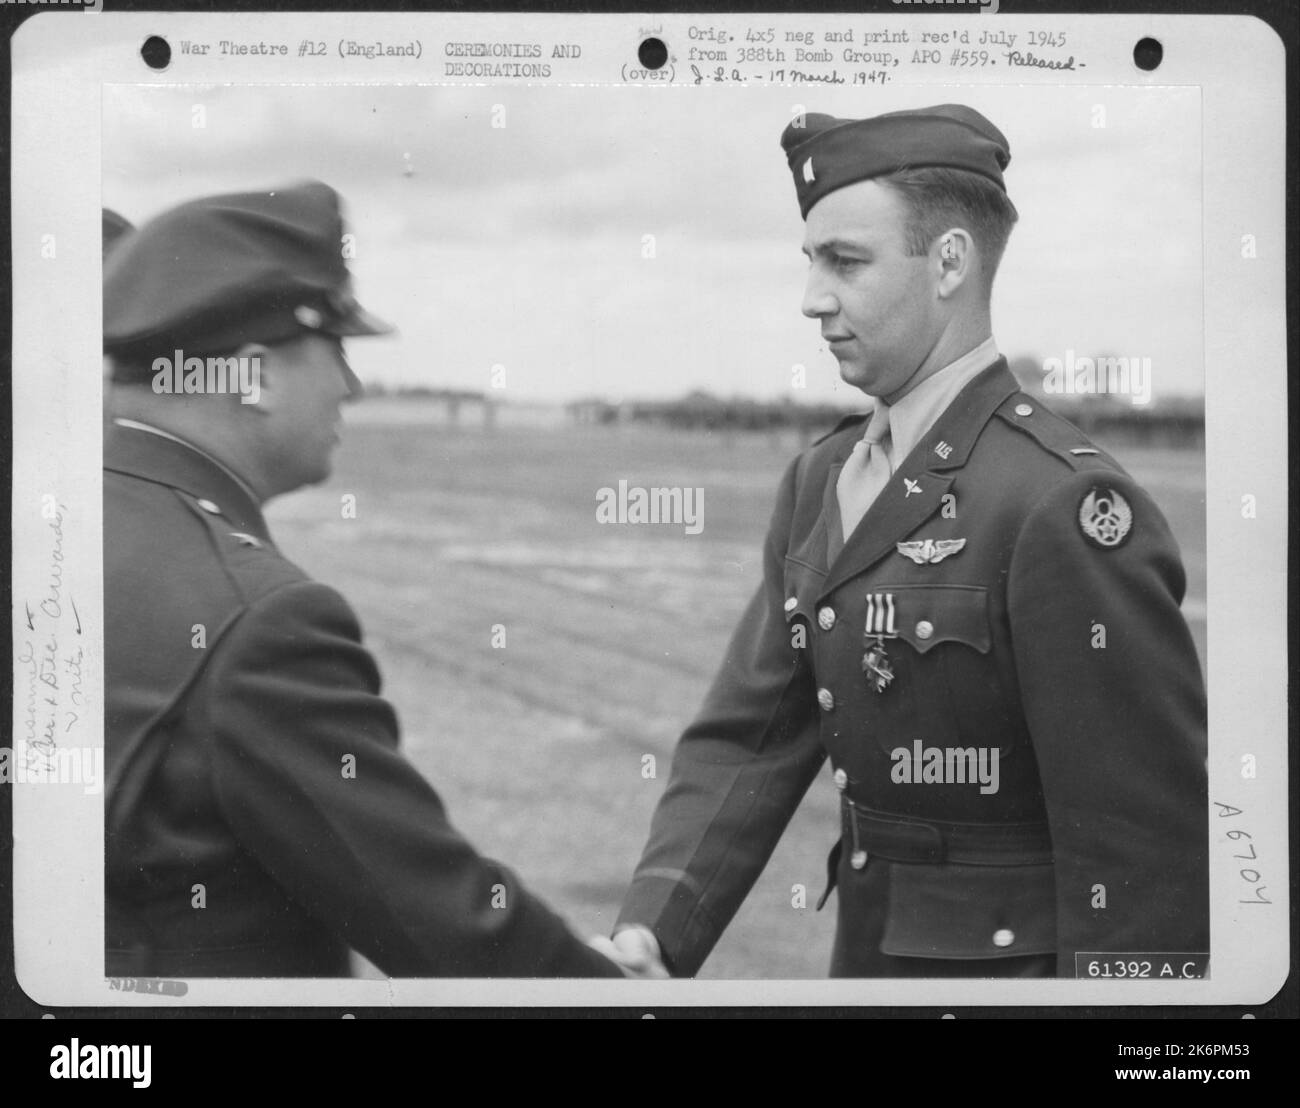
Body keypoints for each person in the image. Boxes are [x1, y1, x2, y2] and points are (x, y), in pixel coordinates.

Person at [610, 105, 1209, 978]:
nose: (812, 297)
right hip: (868, 966)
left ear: (950, 264)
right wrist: (651, 932)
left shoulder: (1060, 504)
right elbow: (753, 735)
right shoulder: (822, 480)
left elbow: (1144, 848)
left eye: (845, 262)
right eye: (811, 262)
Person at [103, 180, 621, 978]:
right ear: (251, 376)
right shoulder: (262, 624)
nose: (351, 385)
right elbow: (450, 934)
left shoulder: (60, 523)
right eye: (336, 351)